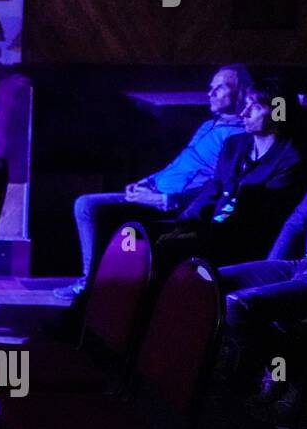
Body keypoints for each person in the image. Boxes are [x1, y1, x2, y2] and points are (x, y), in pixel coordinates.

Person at [57, 65, 252, 299]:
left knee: (88, 205)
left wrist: (166, 199)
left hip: (174, 203)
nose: (210, 94)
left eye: (220, 88)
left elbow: (217, 186)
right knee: (92, 203)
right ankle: (100, 283)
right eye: (211, 88)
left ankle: (91, 285)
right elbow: (178, 165)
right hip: (156, 192)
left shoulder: (238, 137)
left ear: (241, 92)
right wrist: (148, 181)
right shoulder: (209, 124)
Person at [216, 104, 307, 420]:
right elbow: (297, 221)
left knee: (238, 304)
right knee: (208, 283)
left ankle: (283, 374)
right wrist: (272, 269)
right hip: (304, 263)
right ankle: (258, 367)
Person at [155, 78, 304, 271]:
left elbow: (259, 216)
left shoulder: (291, 159)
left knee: (168, 250)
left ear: (278, 112)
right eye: (246, 105)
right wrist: (185, 223)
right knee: (150, 237)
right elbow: (213, 189)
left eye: (256, 107)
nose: (244, 113)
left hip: (242, 239)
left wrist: (200, 234)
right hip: (210, 228)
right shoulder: (235, 144)